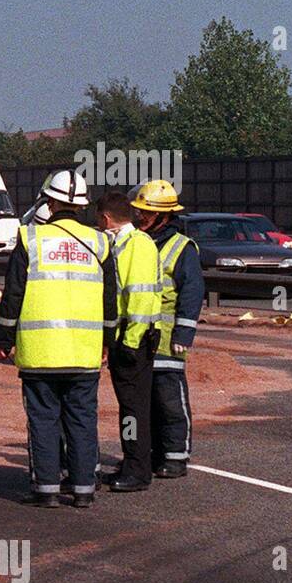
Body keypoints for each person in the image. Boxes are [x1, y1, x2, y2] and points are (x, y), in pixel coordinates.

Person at [0, 170, 117, 509]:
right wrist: (109, 341)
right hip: (84, 351)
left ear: (48, 200)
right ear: (82, 206)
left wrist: (2, 337)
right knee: (82, 420)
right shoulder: (100, 242)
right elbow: (110, 300)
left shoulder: (30, 239)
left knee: (44, 419)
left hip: (40, 352)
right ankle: (83, 489)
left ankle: (46, 488)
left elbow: (12, 295)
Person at [132, 179, 203, 479]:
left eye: (146, 214)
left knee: (170, 401)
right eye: (139, 213)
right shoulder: (137, 242)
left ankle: (176, 455)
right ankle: (152, 454)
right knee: (145, 404)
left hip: (167, 341)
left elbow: (191, 292)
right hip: (138, 339)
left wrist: (183, 335)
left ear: (164, 216)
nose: (140, 218)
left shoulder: (182, 248)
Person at [96, 192, 162, 493]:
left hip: (134, 338)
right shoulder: (120, 243)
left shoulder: (139, 245)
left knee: (134, 407)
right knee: (128, 407)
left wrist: (131, 341)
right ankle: (131, 462)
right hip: (123, 335)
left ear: (106, 218)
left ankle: (138, 470)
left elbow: (140, 296)